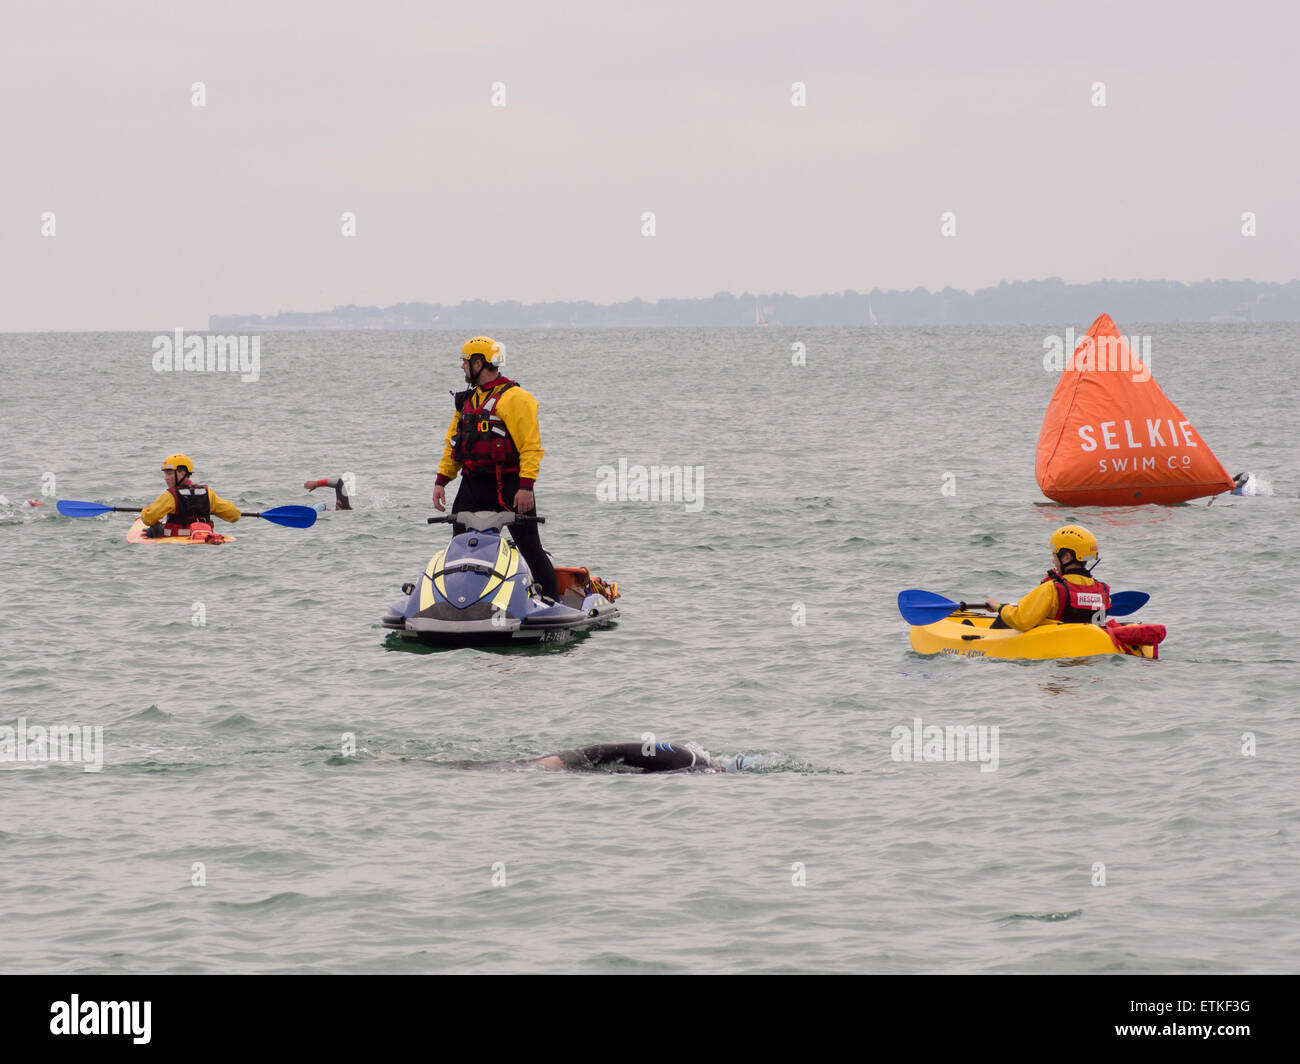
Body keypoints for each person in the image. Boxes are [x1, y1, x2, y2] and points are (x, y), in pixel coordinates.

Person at [431, 336, 559, 599]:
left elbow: (531, 448)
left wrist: (526, 487)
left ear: (479, 363)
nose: (462, 368)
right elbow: (454, 444)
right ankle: (464, 600)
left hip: (510, 487)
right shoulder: (466, 401)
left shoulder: (516, 399)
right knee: (460, 548)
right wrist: (441, 480)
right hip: (472, 486)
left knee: (530, 548)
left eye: (465, 362)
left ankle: (552, 602)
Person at [984, 524, 1111, 630]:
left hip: (1054, 648)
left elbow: (1021, 620)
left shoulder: (1051, 589)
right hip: (1087, 647)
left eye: (1055, 556)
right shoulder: (1103, 592)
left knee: (1003, 617)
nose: (1053, 561)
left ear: (1067, 557)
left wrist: (999, 607)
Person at [139, 454, 241, 538]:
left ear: (182, 473)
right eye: (166, 474)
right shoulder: (208, 494)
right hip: (202, 538)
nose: (166, 478)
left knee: (154, 528)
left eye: (169, 474)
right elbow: (234, 515)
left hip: (174, 542)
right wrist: (210, 508)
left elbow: (149, 519)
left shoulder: (170, 496)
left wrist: (146, 510)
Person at [508, 741, 756, 773]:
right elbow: (620, 750)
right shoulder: (687, 764)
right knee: (518, 769)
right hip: (590, 756)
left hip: (595, 756)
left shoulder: (693, 758)